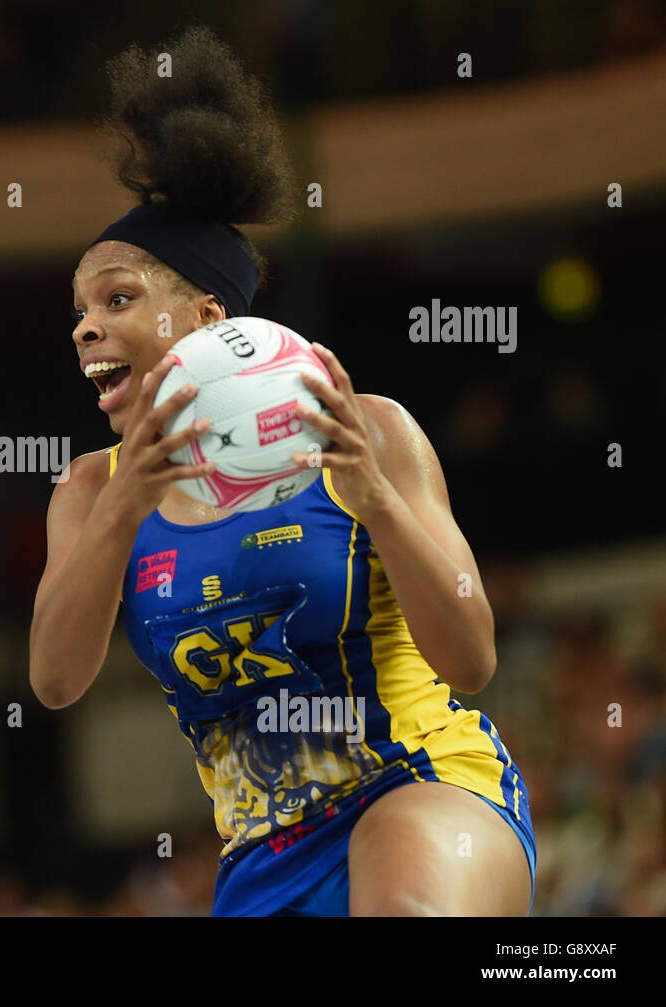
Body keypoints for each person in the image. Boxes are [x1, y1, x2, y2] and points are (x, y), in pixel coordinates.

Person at [29, 26, 536, 916]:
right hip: (262, 852)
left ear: (205, 317)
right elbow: (55, 680)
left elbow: (474, 657)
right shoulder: (88, 490)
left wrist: (374, 496)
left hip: (420, 788)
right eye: (78, 310)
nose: (84, 328)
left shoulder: (364, 428)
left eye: (116, 299)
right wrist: (125, 506)